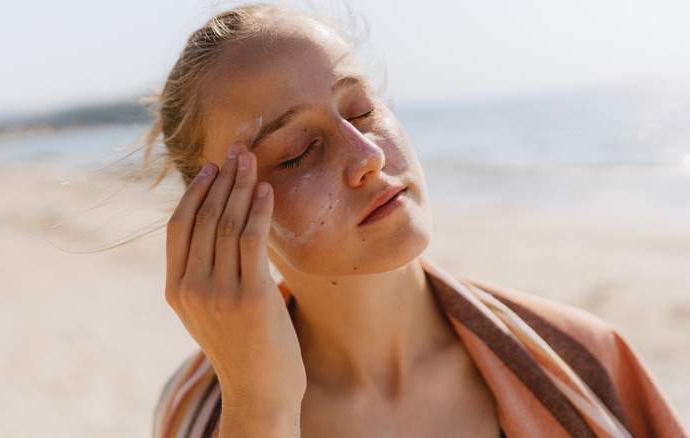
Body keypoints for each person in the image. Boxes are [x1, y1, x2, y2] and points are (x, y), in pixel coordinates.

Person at [145, 3, 686, 437]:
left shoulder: (583, 359)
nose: (368, 157)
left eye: (362, 111)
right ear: (215, 212)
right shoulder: (200, 412)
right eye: (298, 152)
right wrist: (260, 409)